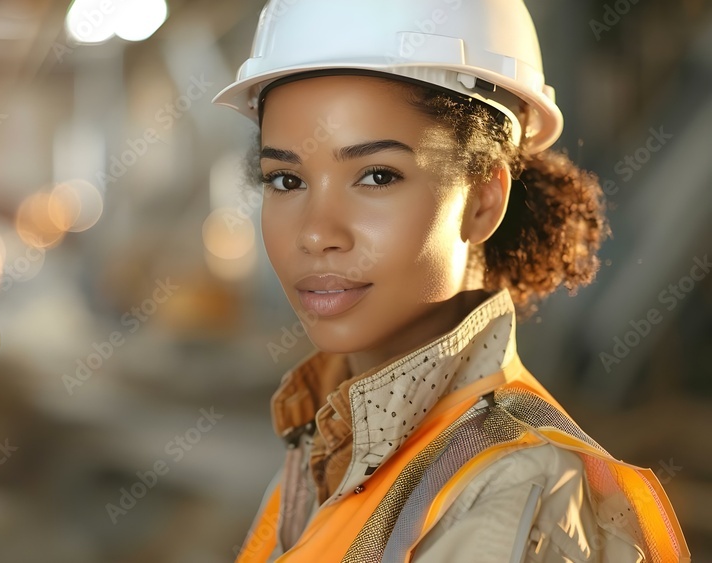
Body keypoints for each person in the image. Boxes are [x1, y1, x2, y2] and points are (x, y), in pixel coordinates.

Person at [211, 1, 691, 561]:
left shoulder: (519, 493)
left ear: (483, 201)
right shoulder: (328, 445)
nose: (316, 233)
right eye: (286, 180)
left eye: (377, 176)